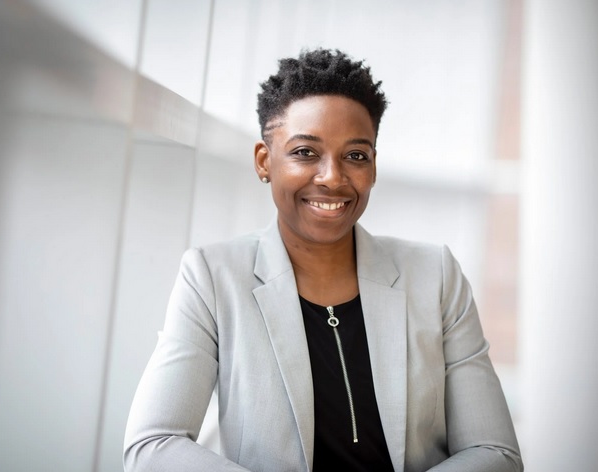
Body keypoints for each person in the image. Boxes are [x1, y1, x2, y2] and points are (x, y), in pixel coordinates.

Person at [124, 48, 523, 472]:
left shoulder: (435, 276)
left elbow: (495, 452)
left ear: (372, 167)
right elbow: (153, 445)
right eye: (305, 152)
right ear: (265, 161)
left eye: (355, 155)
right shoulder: (212, 276)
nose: (332, 177)